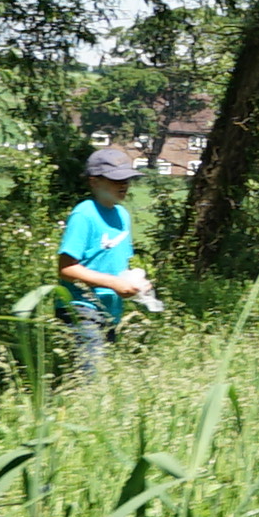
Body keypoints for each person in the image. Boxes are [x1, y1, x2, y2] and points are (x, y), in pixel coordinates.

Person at [55, 144, 160, 376]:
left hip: (110, 310)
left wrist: (137, 282)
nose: (123, 185)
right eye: (115, 180)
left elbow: (119, 264)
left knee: (101, 378)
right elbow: (66, 269)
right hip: (80, 309)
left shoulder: (122, 215)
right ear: (94, 181)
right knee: (88, 379)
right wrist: (114, 284)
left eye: (127, 179)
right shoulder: (84, 214)